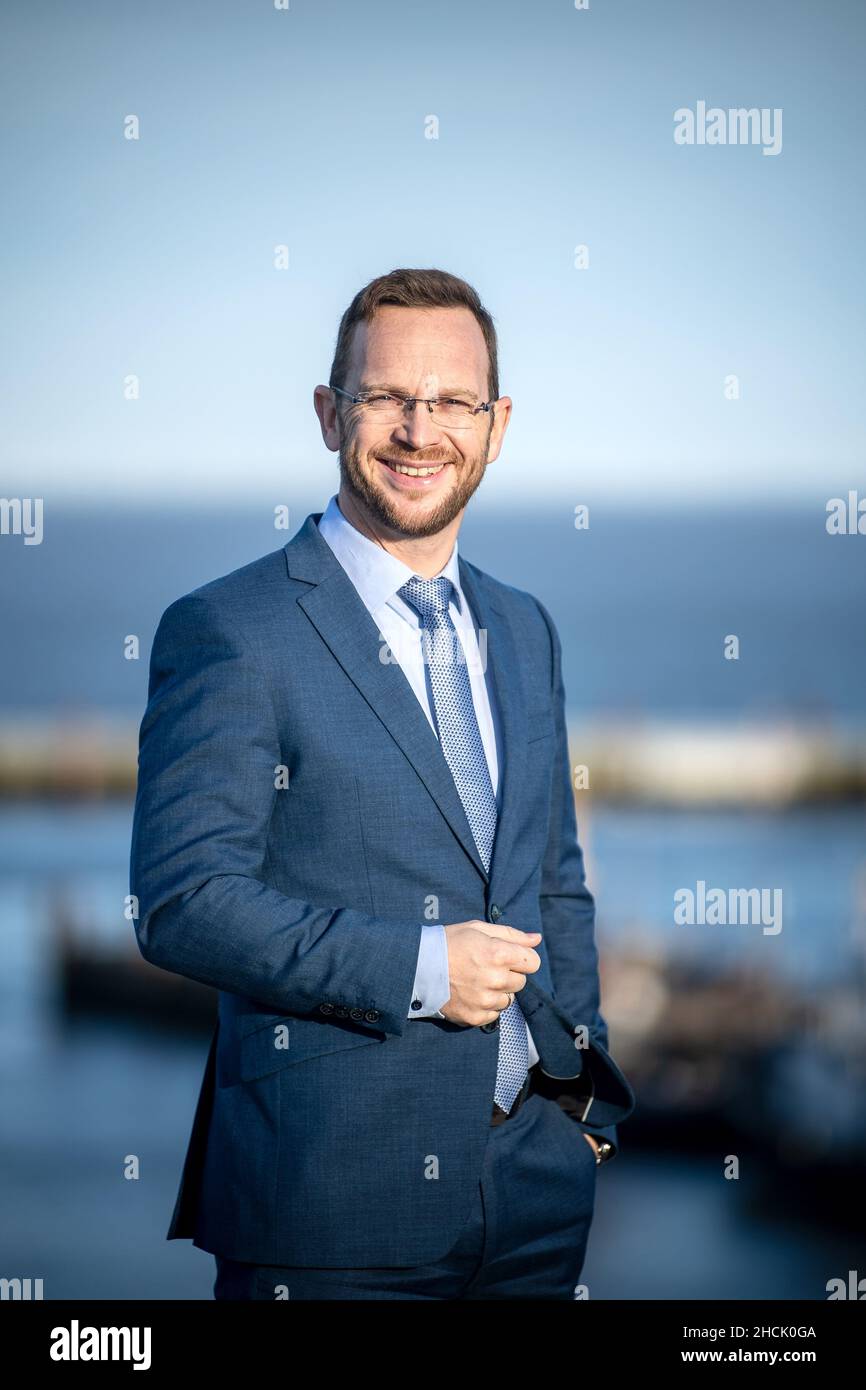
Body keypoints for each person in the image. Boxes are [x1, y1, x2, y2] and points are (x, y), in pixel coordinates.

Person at [129, 267, 635, 1300]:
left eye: (451, 401)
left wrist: (580, 1107)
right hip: (326, 1204)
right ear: (329, 414)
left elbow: (554, 882)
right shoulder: (229, 629)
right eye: (385, 398)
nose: (418, 430)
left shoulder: (523, 625)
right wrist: (417, 964)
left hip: (534, 1197)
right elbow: (182, 904)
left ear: (495, 426)